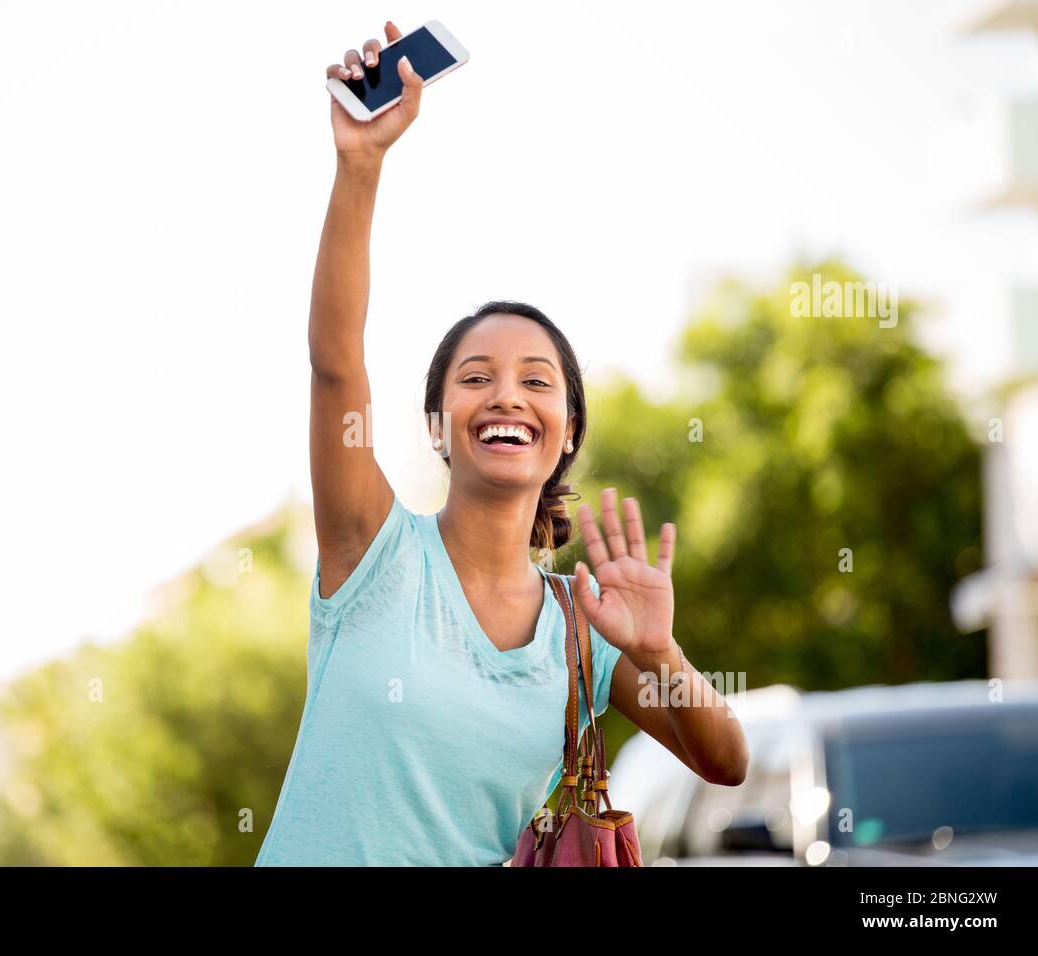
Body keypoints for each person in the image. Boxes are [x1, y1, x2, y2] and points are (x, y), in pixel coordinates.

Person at [254, 21, 749, 866]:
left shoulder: (583, 629)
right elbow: (335, 366)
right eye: (476, 377)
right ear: (440, 424)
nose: (507, 394)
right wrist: (360, 165)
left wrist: (656, 649)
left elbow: (726, 761)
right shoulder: (371, 551)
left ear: (565, 433)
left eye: (537, 379)